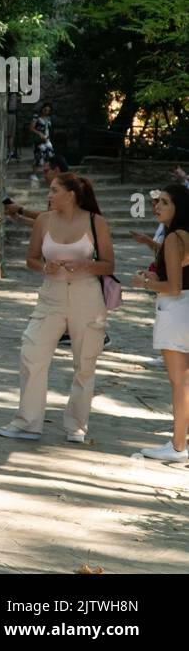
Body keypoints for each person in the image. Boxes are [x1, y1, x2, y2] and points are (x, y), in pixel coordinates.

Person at [0, 173, 113, 443]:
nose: (49, 195)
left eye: (54, 190)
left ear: (70, 194)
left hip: (86, 295)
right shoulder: (43, 221)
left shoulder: (96, 222)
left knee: (84, 362)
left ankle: (76, 425)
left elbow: (108, 264)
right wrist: (43, 266)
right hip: (51, 295)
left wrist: (85, 265)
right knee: (31, 351)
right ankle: (28, 422)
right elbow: (31, 258)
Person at [131, 183, 189, 460]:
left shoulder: (174, 238)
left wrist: (145, 283)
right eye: (157, 202)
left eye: (164, 202)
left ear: (178, 207)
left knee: (180, 383)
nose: (157, 206)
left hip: (177, 312)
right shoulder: (183, 236)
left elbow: (175, 287)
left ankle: (178, 446)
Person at [4, 155, 69, 226]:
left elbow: (49, 218)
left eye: (46, 171)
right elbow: (47, 224)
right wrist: (18, 218)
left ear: (56, 170)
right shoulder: (60, 190)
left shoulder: (66, 191)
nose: (44, 176)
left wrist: (20, 210)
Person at [30, 103, 53, 174]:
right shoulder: (36, 117)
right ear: (42, 109)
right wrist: (39, 133)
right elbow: (31, 128)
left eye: (48, 110)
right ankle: (34, 173)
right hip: (39, 140)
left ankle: (47, 173)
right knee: (38, 156)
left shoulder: (48, 118)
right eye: (45, 110)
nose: (46, 112)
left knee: (49, 155)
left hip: (47, 139)